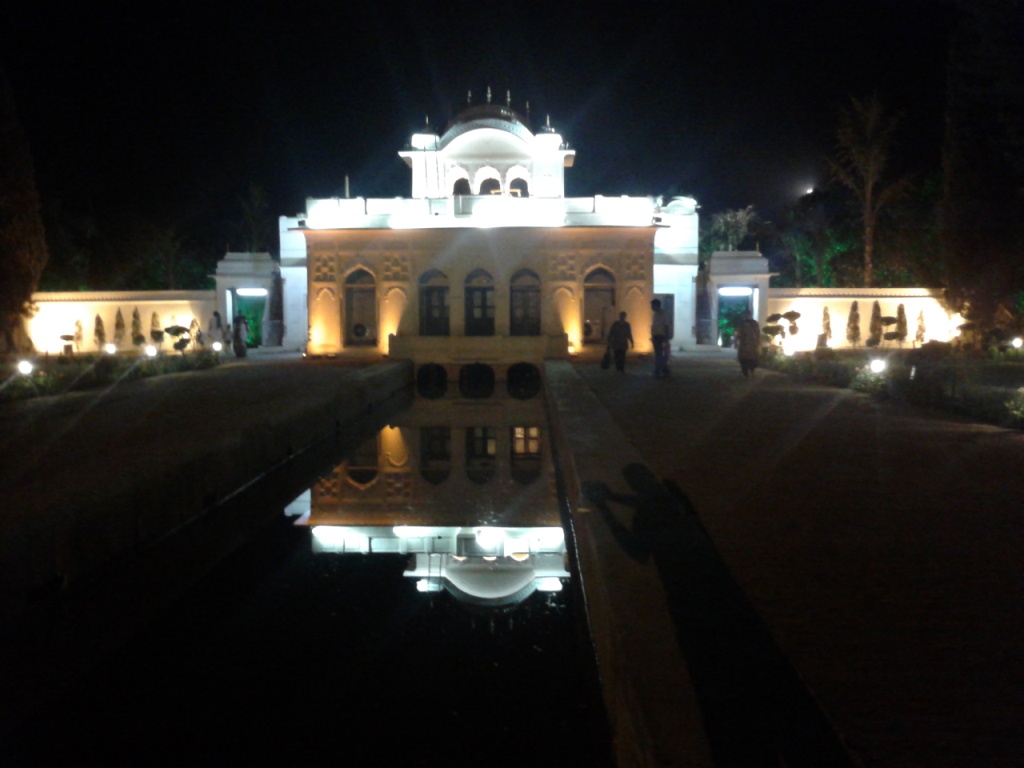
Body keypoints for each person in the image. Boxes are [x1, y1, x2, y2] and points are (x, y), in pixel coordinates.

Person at [735, 309, 761, 377]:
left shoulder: (750, 323)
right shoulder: (745, 323)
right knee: (747, 359)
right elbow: (738, 333)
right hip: (747, 343)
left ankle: (749, 371)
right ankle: (748, 372)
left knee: (749, 359)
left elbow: (757, 333)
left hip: (748, 344)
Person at [650, 299, 671, 377]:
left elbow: (666, 326)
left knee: (660, 355)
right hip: (656, 336)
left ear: (656, 305)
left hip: (661, 337)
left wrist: (666, 338)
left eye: (652, 305)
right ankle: (663, 370)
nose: (651, 307)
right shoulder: (655, 315)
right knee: (659, 354)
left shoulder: (663, 314)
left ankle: (659, 371)